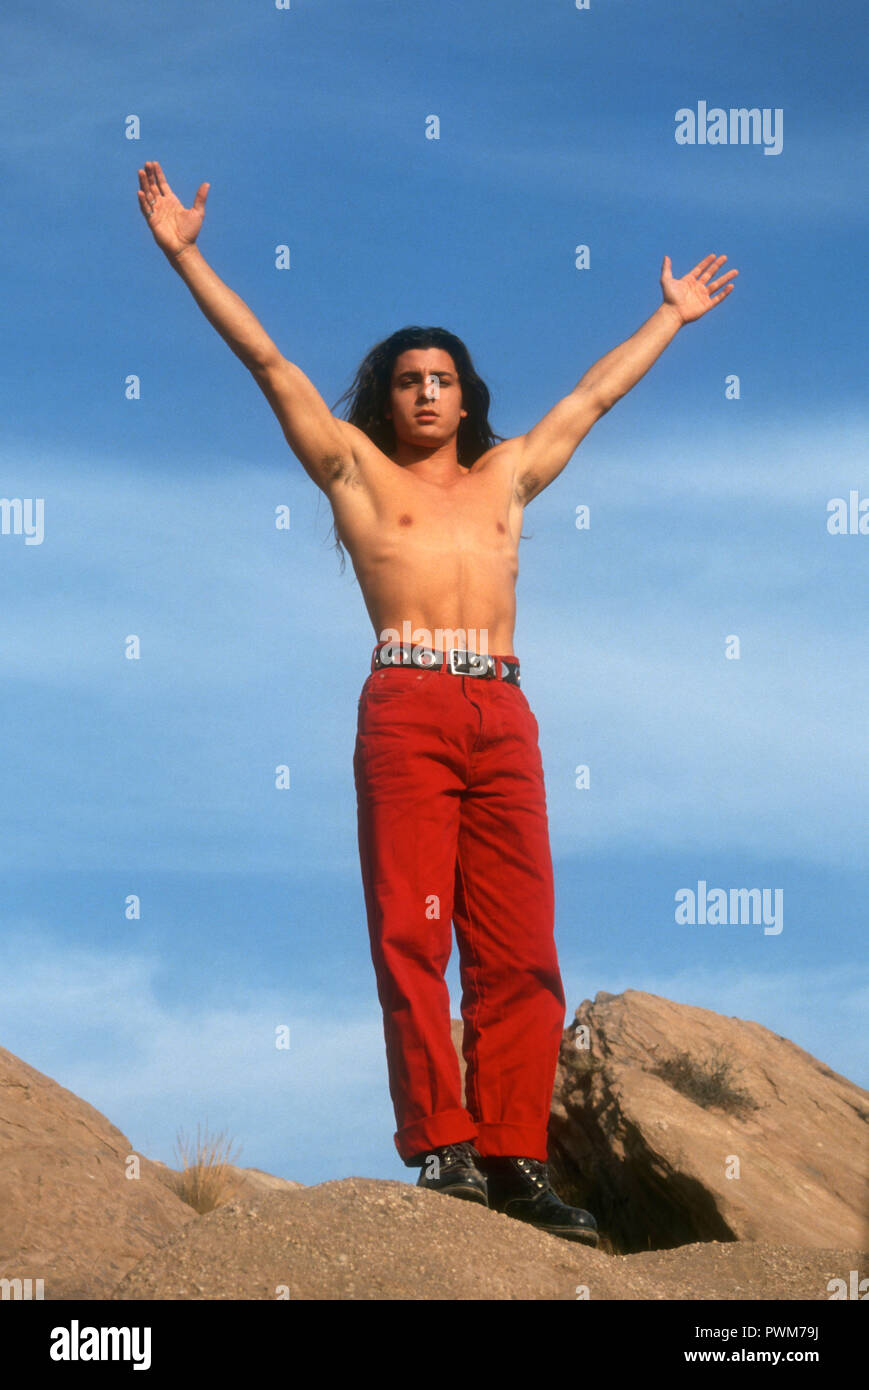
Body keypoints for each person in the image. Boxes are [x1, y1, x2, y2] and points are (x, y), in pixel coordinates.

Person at [137, 160, 738, 1245]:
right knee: (412, 933)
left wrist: (667, 317)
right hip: (407, 704)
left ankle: (514, 1156)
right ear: (387, 395)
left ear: (465, 396)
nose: (422, 391)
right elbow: (266, 358)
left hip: (503, 713)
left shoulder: (507, 476)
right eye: (407, 377)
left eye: (440, 378)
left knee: (519, 947)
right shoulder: (356, 471)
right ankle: (444, 1147)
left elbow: (593, 395)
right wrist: (185, 253)